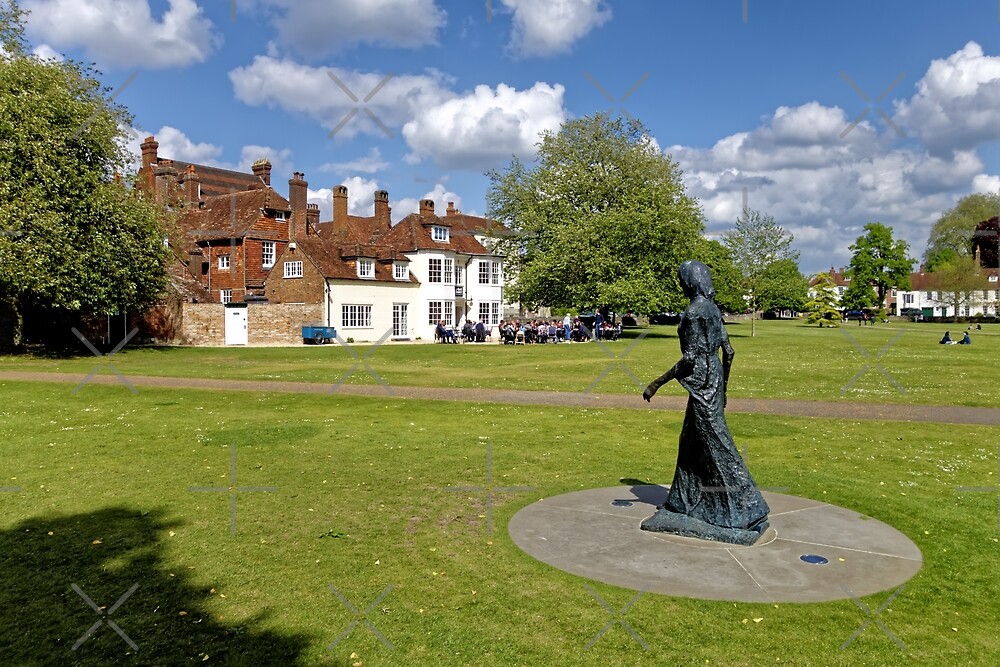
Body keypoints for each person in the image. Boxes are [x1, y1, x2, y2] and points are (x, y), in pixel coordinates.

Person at [642, 260, 769, 539]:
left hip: (700, 385)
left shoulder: (693, 313)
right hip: (713, 382)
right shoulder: (712, 310)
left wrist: (657, 383)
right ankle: (682, 502)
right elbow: (729, 351)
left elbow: (689, 360)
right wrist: (723, 388)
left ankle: (748, 508)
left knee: (718, 447)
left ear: (688, 282)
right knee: (690, 442)